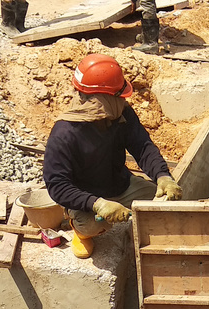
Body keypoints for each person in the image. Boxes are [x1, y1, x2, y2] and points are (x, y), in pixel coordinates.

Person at [44, 54, 181, 259]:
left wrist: (163, 176)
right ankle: (79, 231)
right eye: (119, 95)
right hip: (87, 200)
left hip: (121, 185)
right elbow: (57, 185)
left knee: (163, 202)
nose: (124, 100)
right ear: (102, 99)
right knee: (91, 225)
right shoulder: (65, 133)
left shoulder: (120, 115)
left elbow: (142, 147)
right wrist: (98, 204)